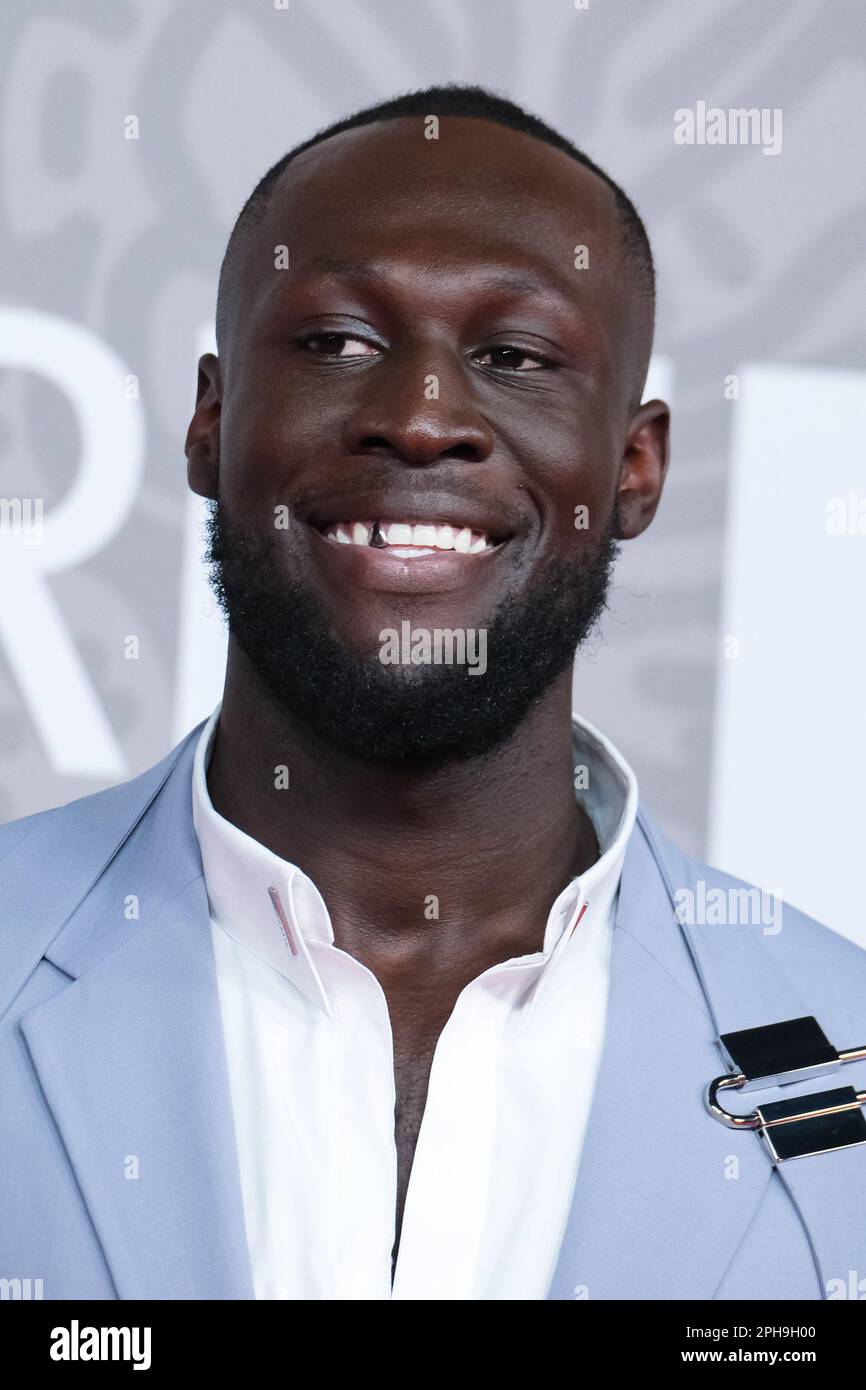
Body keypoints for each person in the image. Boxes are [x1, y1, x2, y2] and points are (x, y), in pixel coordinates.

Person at [2, 84, 865, 1302]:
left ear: (633, 464)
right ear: (208, 422)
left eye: (513, 357)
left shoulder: (842, 1059)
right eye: (337, 342)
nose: (419, 419)